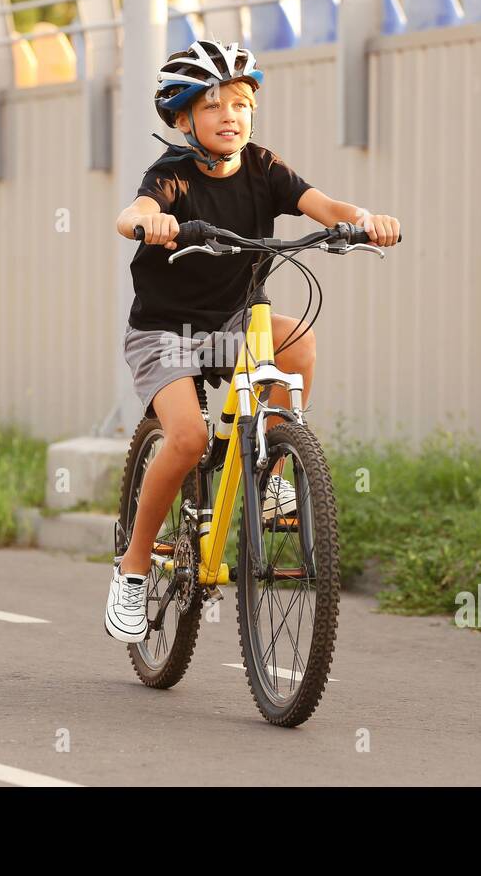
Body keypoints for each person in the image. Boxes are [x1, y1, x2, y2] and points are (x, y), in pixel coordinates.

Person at [105, 39, 400, 643]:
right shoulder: (172, 176)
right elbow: (132, 212)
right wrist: (150, 222)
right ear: (183, 118)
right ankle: (133, 569)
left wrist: (364, 219)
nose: (230, 116)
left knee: (295, 337)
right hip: (167, 330)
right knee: (186, 439)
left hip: (238, 321)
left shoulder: (265, 168)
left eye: (240, 103)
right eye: (213, 106)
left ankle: (271, 469)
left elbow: (323, 204)